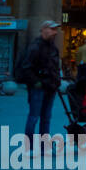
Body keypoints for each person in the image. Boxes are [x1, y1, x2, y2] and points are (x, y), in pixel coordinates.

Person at [16, 20, 63, 148]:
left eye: (56, 29)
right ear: (43, 30)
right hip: (39, 88)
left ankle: (44, 147)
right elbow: (26, 67)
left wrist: (57, 81)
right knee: (34, 117)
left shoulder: (54, 48)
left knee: (46, 118)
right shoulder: (35, 47)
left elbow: (55, 67)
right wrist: (37, 83)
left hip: (51, 87)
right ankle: (29, 147)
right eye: (52, 29)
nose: (55, 32)